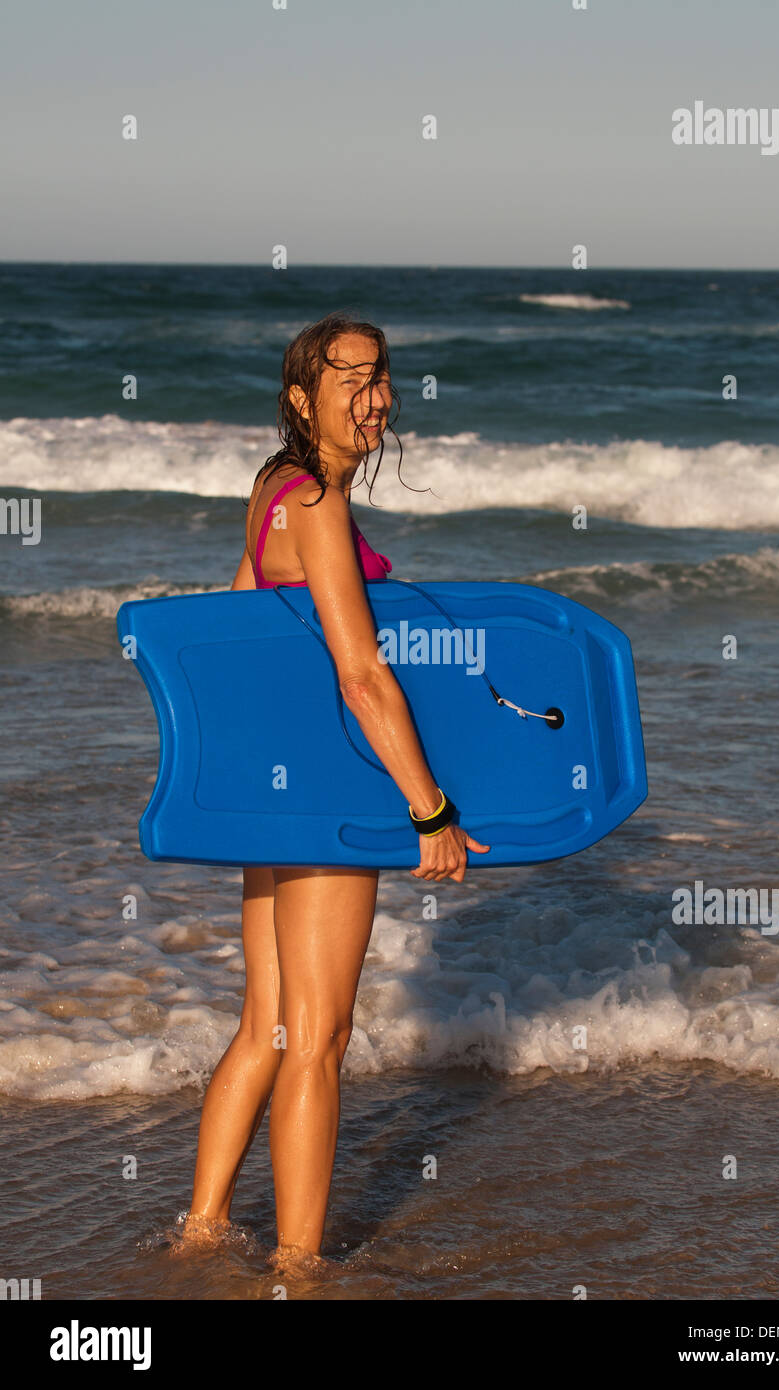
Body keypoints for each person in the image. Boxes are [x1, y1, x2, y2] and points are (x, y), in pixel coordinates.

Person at [178, 312, 490, 1272]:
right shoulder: (315, 503)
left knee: (266, 1026)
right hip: (325, 798)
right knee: (317, 1036)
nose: (373, 397)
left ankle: (199, 1231)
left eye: (380, 376)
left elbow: (240, 627)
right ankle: (297, 1266)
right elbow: (361, 675)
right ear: (300, 397)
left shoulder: (273, 488)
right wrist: (430, 808)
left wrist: (246, 778)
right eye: (347, 380)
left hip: (275, 791)